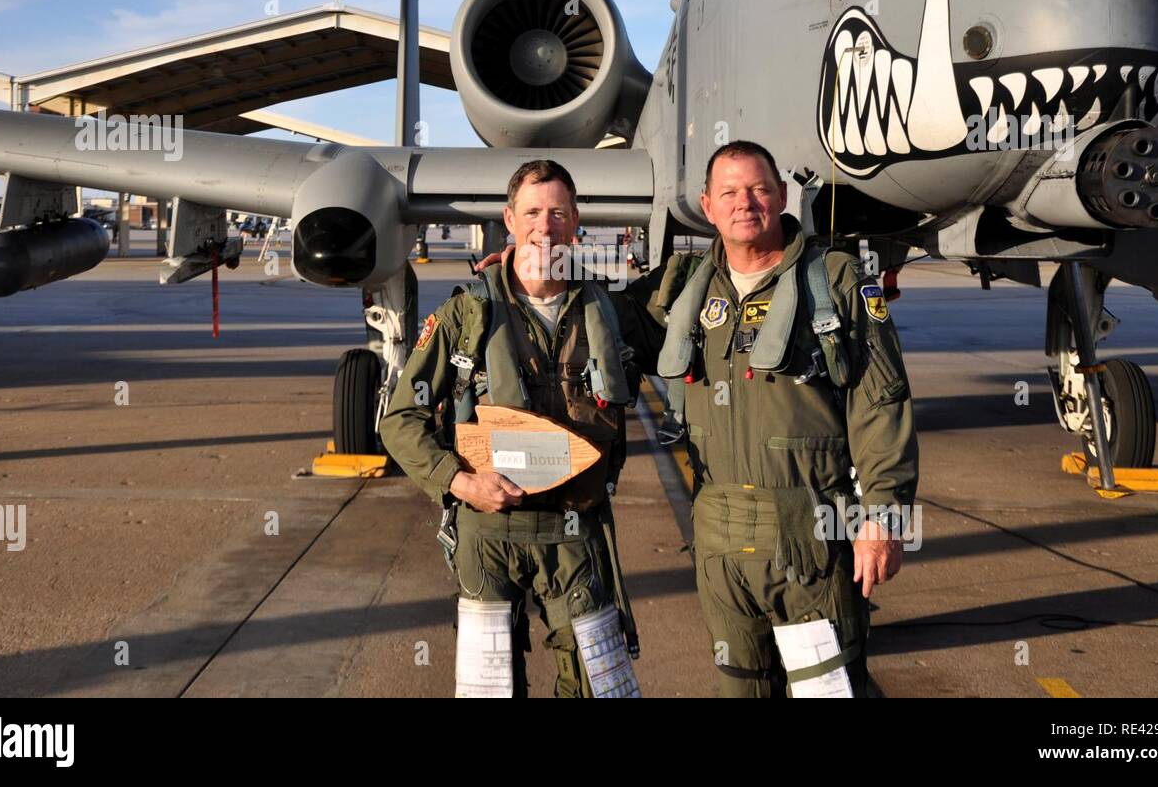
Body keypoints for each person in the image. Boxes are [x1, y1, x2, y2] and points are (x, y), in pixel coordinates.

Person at [477, 140, 918, 697]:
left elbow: (882, 405)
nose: (745, 203)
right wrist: (517, 277)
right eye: (729, 192)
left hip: (812, 529)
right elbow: (597, 315)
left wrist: (884, 515)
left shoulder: (835, 282)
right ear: (707, 207)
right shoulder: (682, 288)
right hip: (718, 537)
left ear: (782, 197)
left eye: (759, 189)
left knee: (829, 689)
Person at [381, 159, 645, 698]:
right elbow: (400, 420)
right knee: (491, 691)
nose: (543, 226)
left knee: (600, 688)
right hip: (489, 532)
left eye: (557, 213)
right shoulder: (466, 316)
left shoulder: (611, 312)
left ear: (575, 223)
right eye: (531, 212)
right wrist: (460, 482)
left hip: (577, 531)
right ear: (509, 220)